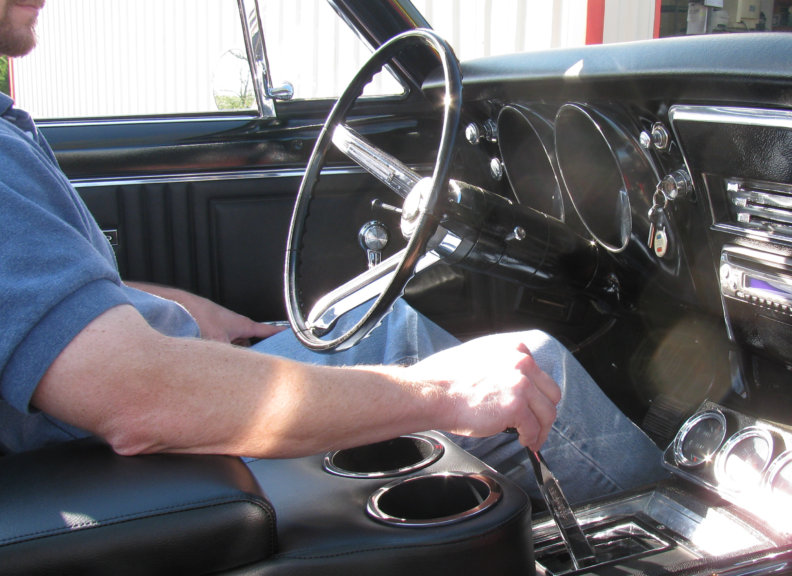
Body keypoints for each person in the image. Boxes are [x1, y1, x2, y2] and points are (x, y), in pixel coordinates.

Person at [0, 0, 666, 503]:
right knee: (522, 360)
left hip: (106, 417)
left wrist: (182, 311)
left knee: (373, 332)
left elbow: (55, 304)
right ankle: (689, 534)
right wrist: (445, 392)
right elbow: (136, 401)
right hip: (121, 461)